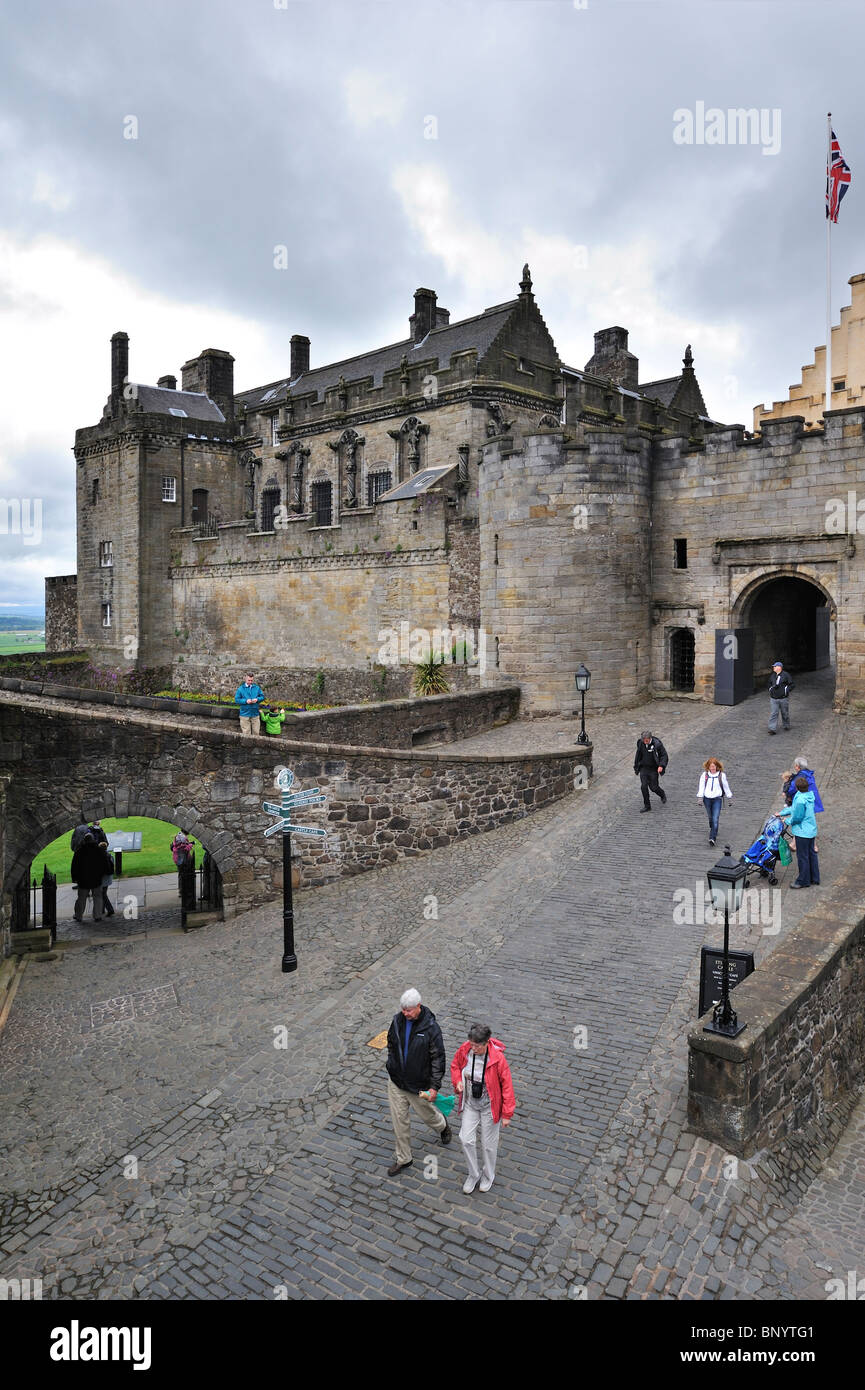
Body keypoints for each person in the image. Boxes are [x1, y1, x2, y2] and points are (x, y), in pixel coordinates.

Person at [385, 987, 451, 1177]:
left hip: (418, 1085)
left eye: (409, 1010)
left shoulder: (431, 1028)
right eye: (403, 1009)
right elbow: (391, 1042)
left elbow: (438, 1058)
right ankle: (403, 1158)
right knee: (399, 1121)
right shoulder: (397, 1020)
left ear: (418, 1007)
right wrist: (392, 1063)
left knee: (428, 1116)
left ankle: (442, 1126)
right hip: (397, 1081)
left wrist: (434, 1086)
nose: (405, 1013)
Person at [450, 1024, 515, 1194]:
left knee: (488, 1145)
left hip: (489, 1106)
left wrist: (507, 1113)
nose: (473, 1048)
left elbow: (507, 1086)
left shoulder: (498, 1059)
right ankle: (474, 1173)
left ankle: (488, 1175)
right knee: (465, 1138)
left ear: (486, 1043)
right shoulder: (465, 1049)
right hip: (471, 1102)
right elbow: (455, 1066)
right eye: (471, 1044)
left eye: (477, 1046)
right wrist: (457, 1081)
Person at [779, 775, 819, 888]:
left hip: (802, 832)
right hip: (811, 829)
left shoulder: (800, 799)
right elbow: (795, 809)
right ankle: (814, 878)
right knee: (811, 854)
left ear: (797, 788)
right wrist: (783, 812)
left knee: (803, 857)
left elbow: (797, 817)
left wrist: (787, 820)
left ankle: (803, 880)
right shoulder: (808, 795)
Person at [70, 833, 115, 923]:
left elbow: (74, 866)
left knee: (81, 898)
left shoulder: (79, 851)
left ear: (85, 840)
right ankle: (97, 916)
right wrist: (105, 872)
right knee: (97, 897)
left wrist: (74, 877)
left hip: (83, 879)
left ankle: (79, 916)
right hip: (96, 878)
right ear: (93, 840)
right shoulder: (99, 850)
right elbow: (104, 863)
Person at [697, 757, 732, 847]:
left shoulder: (721, 775)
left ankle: (712, 837)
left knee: (715, 818)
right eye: (711, 767)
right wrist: (700, 797)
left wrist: (729, 797)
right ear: (708, 767)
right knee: (710, 817)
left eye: (714, 766)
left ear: (717, 767)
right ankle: (712, 827)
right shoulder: (704, 775)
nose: (712, 768)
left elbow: (726, 786)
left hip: (717, 799)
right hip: (707, 799)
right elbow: (701, 786)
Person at [634, 730, 668, 812]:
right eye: (644, 741)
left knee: (654, 787)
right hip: (644, 768)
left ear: (650, 739)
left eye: (646, 741)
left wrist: (661, 766)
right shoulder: (640, 743)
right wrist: (636, 767)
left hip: (653, 769)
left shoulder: (657, 744)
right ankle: (647, 805)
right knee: (644, 786)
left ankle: (662, 794)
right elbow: (638, 755)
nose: (645, 742)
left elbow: (664, 755)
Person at [768, 661, 794, 734]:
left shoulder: (786, 675)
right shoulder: (772, 676)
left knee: (784, 713)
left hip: (783, 698)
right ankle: (772, 729)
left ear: (779, 667)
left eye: (775, 666)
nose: (773, 667)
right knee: (774, 713)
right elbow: (769, 684)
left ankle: (786, 725)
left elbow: (792, 684)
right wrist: (770, 689)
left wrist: (785, 690)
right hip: (774, 698)